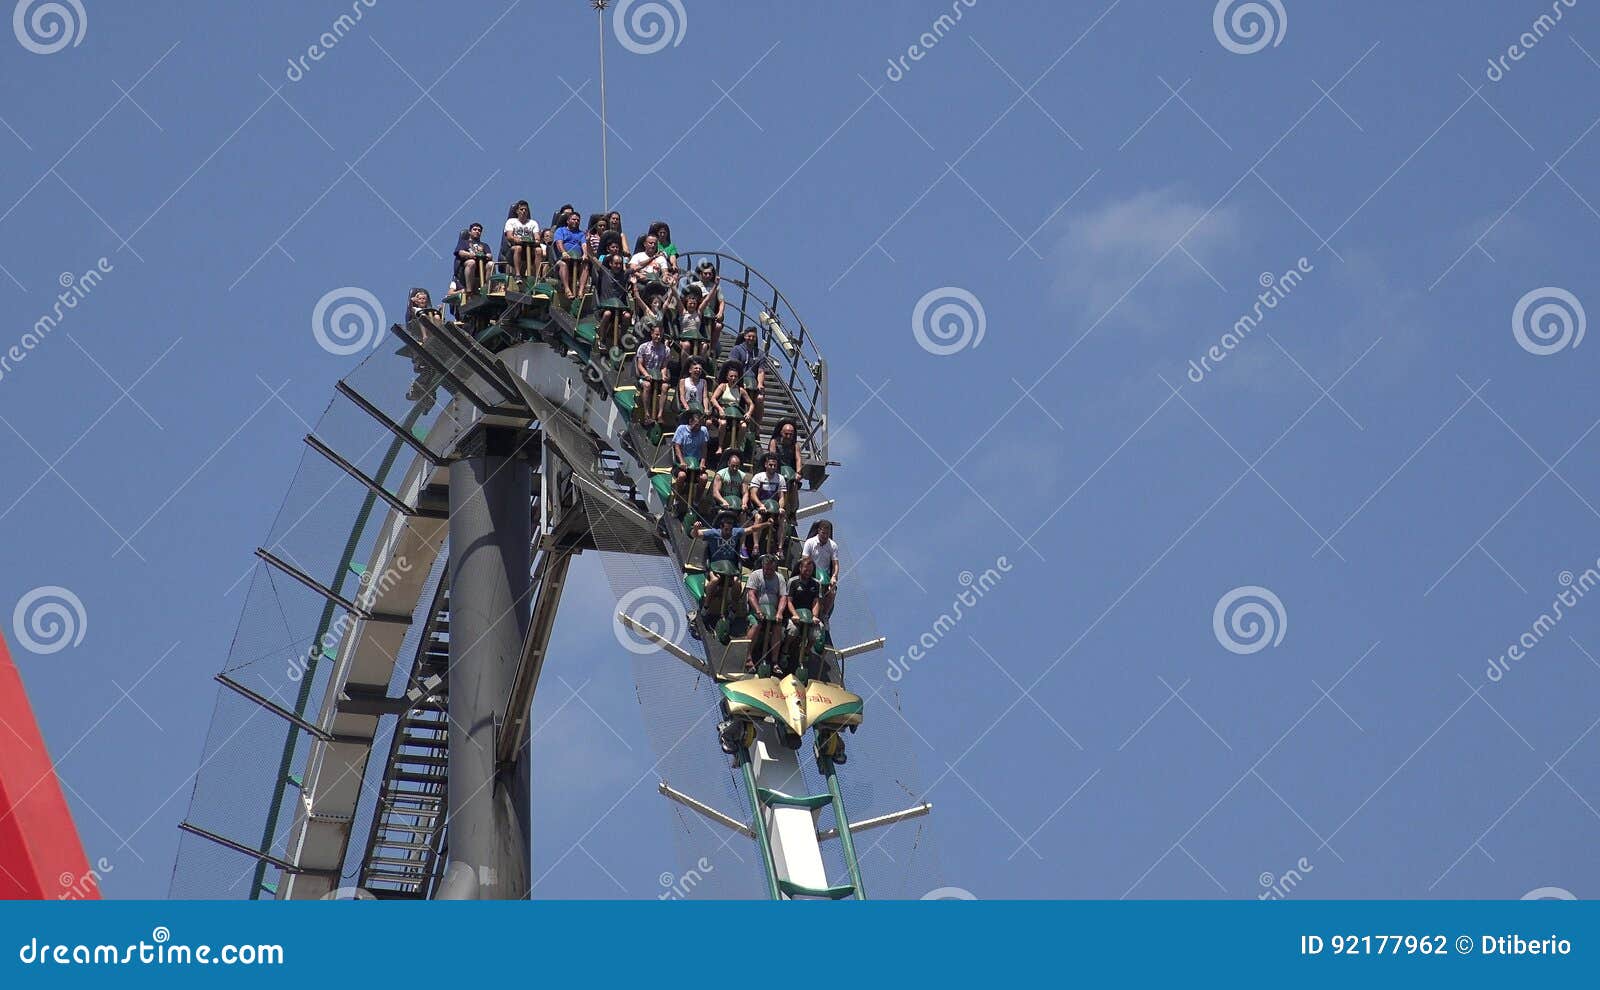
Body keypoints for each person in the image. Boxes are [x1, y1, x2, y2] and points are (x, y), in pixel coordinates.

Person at [692, 512, 773, 630]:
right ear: (721, 527)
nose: (728, 532)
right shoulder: (713, 533)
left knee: (737, 582)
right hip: (715, 566)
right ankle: (706, 606)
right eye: (725, 529)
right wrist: (695, 528)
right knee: (715, 580)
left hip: (731, 567)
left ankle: (733, 608)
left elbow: (752, 528)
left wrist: (766, 523)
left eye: (730, 530)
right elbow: (696, 535)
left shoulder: (735, 532)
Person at [745, 554, 787, 671]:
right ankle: (748, 657)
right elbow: (751, 594)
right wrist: (757, 610)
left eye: (771, 569)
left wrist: (779, 612)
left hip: (773, 613)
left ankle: (774, 661)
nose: (768, 572)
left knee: (778, 628)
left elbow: (783, 597)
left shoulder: (779, 578)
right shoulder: (755, 575)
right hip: (757, 611)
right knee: (756, 625)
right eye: (766, 569)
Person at [727, 327, 768, 426]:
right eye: (749, 336)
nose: (751, 338)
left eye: (753, 337)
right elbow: (732, 367)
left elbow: (761, 371)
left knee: (760, 398)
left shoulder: (760, 353)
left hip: (753, 382)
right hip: (738, 380)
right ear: (745, 337)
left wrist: (760, 384)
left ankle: (756, 426)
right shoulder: (736, 350)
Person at [671, 409, 711, 507]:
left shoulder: (703, 431)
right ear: (690, 422)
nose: (698, 427)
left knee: (704, 478)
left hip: (696, 464)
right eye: (696, 425)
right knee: (681, 476)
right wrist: (681, 461)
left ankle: (696, 500)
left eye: (700, 425)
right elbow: (677, 446)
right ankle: (677, 498)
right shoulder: (681, 429)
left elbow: (704, 448)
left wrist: (702, 462)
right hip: (683, 464)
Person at [594, 251, 633, 354]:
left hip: (619, 309)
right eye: (616, 263)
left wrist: (653, 258)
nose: (618, 266)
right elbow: (593, 259)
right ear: (610, 264)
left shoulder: (624, 274)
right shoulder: (605, 271)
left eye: (620, 264)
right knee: (607, 314)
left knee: (628, 316)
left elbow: (638, 267)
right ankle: (601, 338)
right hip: (605, 308)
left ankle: (621, 339)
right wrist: (587, 242)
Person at [802, 520, 840, 623]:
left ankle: (824, 615)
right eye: (823, 533)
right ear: (818, 531)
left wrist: (834, 576)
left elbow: (835, 564)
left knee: (832, 591)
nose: (825, 536)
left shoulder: (833, 545)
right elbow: (804, 559)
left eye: (827, 534)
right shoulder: (810, 542)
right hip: (811, 571)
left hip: (825, 574)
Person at [710, 363, 753, 453]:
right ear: (727, 377)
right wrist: (720, 409)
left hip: (736, 414)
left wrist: (748, 413)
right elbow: (713, 399)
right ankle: (720, 446)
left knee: (744, 425)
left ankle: (737, 447)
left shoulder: (740, 390)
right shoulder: (723, 386)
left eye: (735, 376)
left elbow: (751, 404)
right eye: (731, 376)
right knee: (723, 423)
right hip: (724, 412)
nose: (733, 378)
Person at [635, 321, 671, 428]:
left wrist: (663, 375)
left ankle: (660, 415)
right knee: (647, 385)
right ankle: (647, 414)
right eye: (656, 334)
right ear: (652, 334)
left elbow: (664, 366)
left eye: (660, 335)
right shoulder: (643, 347)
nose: (658, 337)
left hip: (658, 377)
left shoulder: (666, 350)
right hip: (645, 377)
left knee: (665, 386)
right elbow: (640, 365)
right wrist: (646, 374)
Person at [769, 419, 803, 516]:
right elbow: (772, 456)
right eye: (786, 434)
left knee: (794, 485)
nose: (788, 437)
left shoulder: (795, 445)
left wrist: (799, 472)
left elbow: (798, 459)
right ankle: (779, 505)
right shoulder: (774, 442)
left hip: (790, 470)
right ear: (781, 432)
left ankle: (792, 510)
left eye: (791, 434)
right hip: (777, 469)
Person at [691, 260, 726, 352]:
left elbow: (722, 301)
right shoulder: (694, 285)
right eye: (705, 274)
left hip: (710, 316)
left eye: (710, 274)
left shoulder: (716, 287)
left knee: (718, 326)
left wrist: (720, 312)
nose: (707, 276)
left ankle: (712, 350)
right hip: (697, 314)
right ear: (700, 273)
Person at [501, 200, 540, 277]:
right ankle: (518, 274)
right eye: (521, 209)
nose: (524, 211)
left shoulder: (533, 223)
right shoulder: (511, 221)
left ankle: (537, 276)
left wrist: (536, 240)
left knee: (538, 250)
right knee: (518, 248)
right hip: (513, 250)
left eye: (526, 210)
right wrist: (516, 239)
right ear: (517, 211)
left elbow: (537, 237)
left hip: (529, 249)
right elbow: (509, 236)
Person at [454, 223, 492, 295]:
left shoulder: (484, 245)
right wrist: (469, 254)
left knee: (491, 264)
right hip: (466, 269)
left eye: (479, 230)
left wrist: (485, 255)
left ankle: (487, 288)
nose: (477, 231)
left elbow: (490, 255)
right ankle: (469, 291)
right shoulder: (464, 243)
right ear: (469, 232)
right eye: (474, 229)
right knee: (471, 262)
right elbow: (460, 252)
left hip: (481, 268)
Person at [554, 211, 586, 298]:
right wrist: (563, 252)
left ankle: (580, 292)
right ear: (568, 221)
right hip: (563, 259)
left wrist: (585, 254)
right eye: (573, 219)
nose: (576, 221)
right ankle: (567, 289)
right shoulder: (560, 230)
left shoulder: (581, 234)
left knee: (585, 265)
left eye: (578, 220)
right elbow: (559, 242)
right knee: (564, 264)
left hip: (577, 261)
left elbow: (584, 244)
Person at [711, 450, 748, 518]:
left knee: (743, 515)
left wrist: (744, 503)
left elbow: (745, 493)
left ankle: (740, 529)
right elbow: (715, 492)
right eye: (733, 466)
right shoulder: (720, 474)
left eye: (737, 466)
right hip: (723, 502)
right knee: (722, 514)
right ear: (728, 463)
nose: (735, 468)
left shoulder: (743, 476)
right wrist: (723, 501)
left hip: (737, 503)